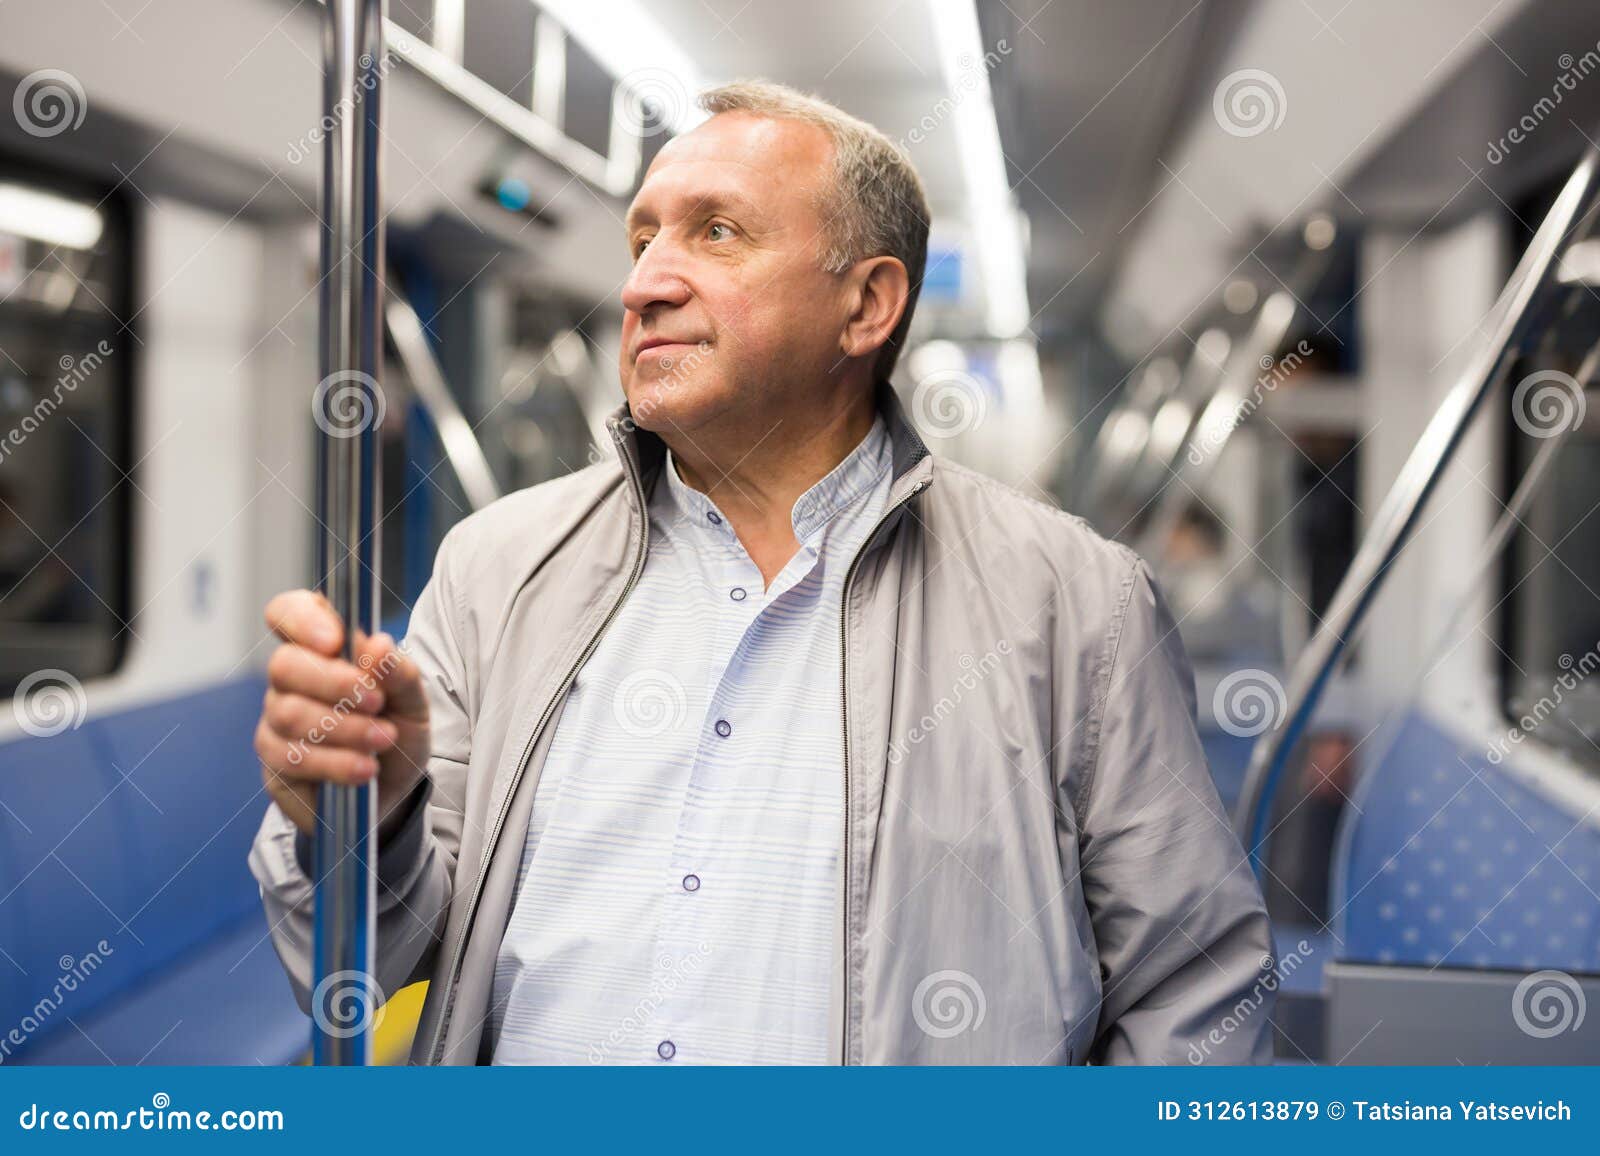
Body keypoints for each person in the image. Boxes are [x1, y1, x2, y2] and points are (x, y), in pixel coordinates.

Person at [249, 80, 1272, 1065]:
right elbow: (368, 961)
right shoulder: (499, 569)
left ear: (867, 305)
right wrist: (364, 819)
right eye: (642, 237)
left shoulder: (1074, 603)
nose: (645, 281)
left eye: (716, 232)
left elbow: (1193, 992)